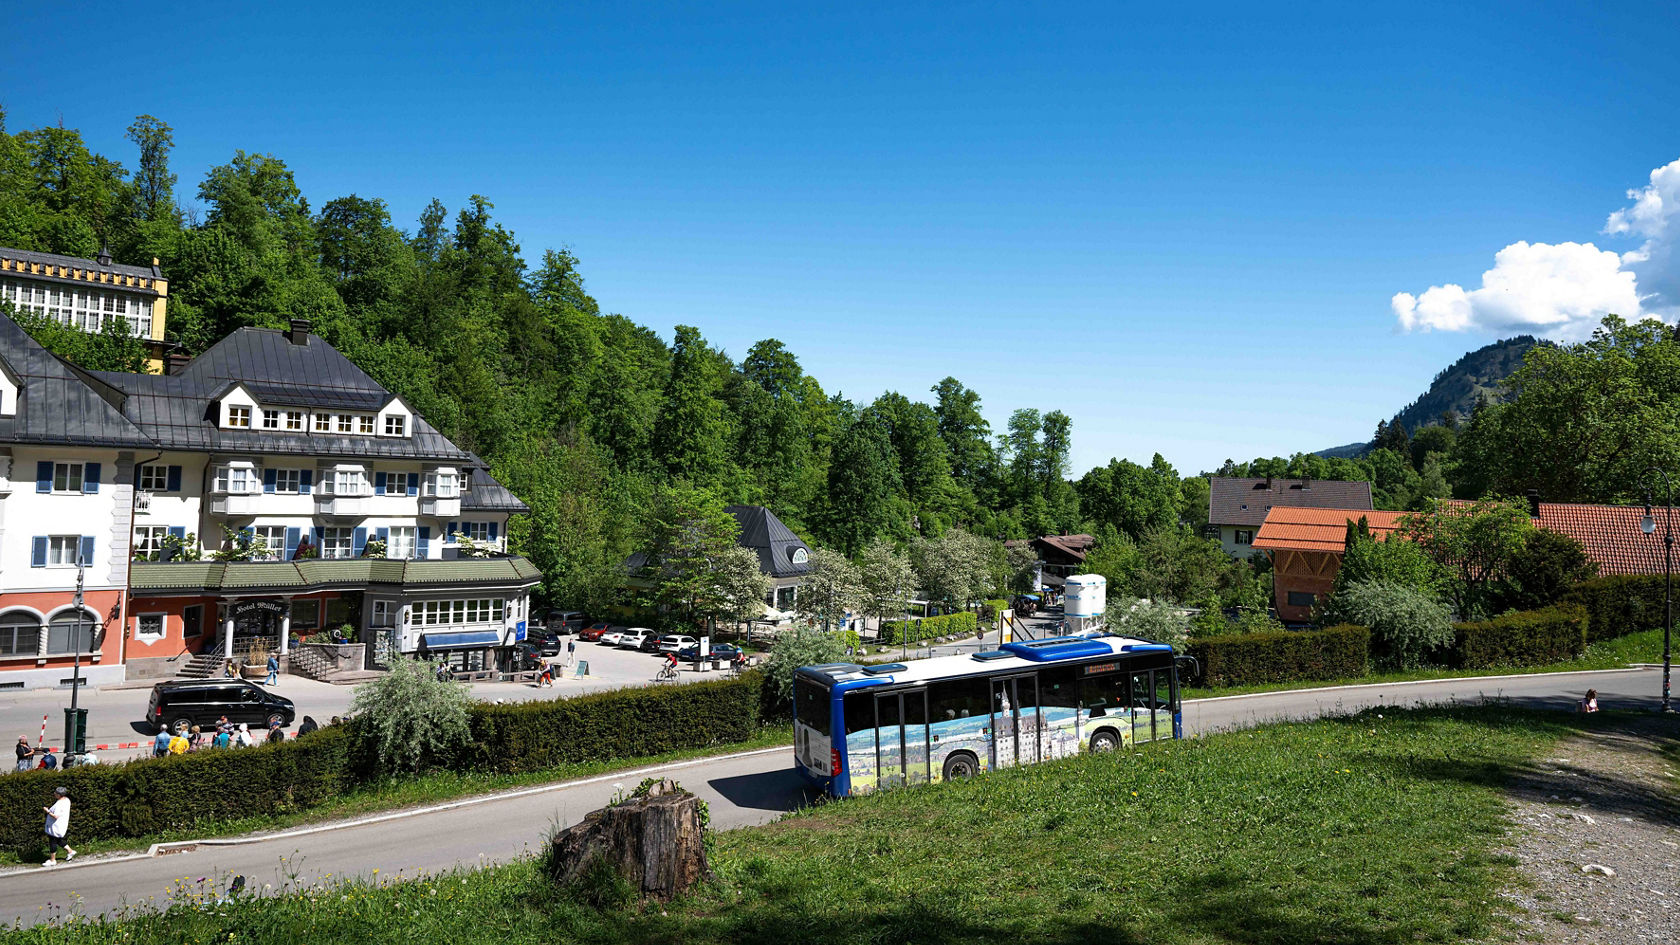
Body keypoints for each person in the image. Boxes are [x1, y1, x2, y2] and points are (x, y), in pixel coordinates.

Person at [42, 786, 74, 866]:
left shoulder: (59, 804)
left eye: (56, 793)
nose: (54, 793)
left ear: (59, 795)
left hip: (55, 826)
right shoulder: (66, 800)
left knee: (53, 842)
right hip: (61, 824)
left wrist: (47, 811)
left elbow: (55, 816)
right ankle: (70, 851)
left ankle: (53, 860)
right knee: (58, 840)